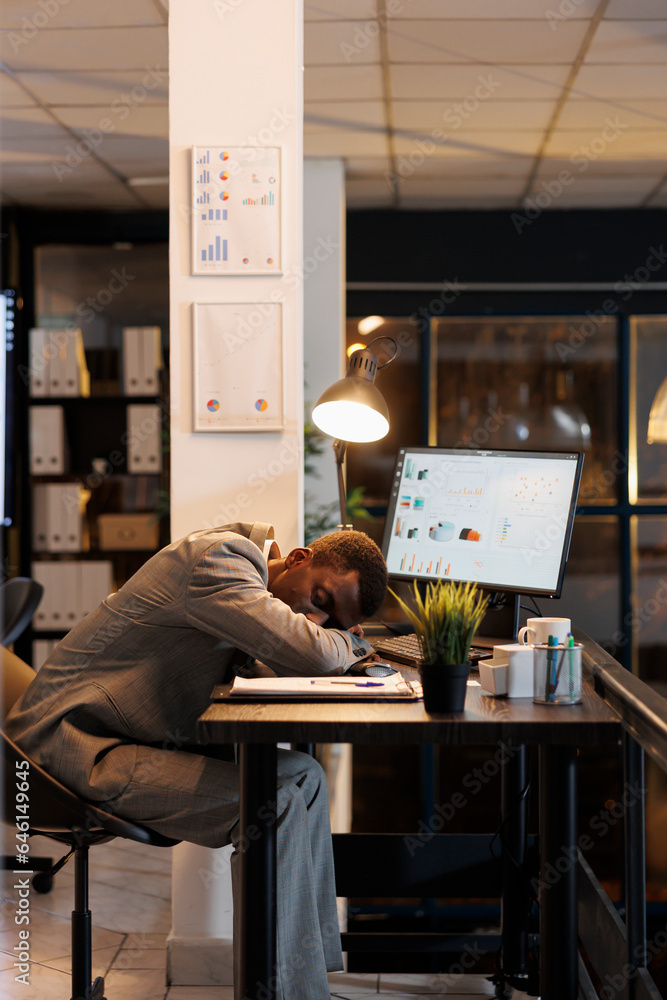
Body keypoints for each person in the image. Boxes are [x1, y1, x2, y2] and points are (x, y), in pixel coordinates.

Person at [6, 521, 388, 1000]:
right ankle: (285, 993)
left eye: (329, 619)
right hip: (67, 749)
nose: (314, 617)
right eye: (321, 599)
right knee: (276, 802)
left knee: (305, 778)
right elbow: (310, 653)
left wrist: (326, 642)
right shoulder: (220, 561)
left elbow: (299, 651)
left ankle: (302, 981)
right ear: (297, 558)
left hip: (118, 740)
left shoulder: (253, 588)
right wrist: (351, 642)